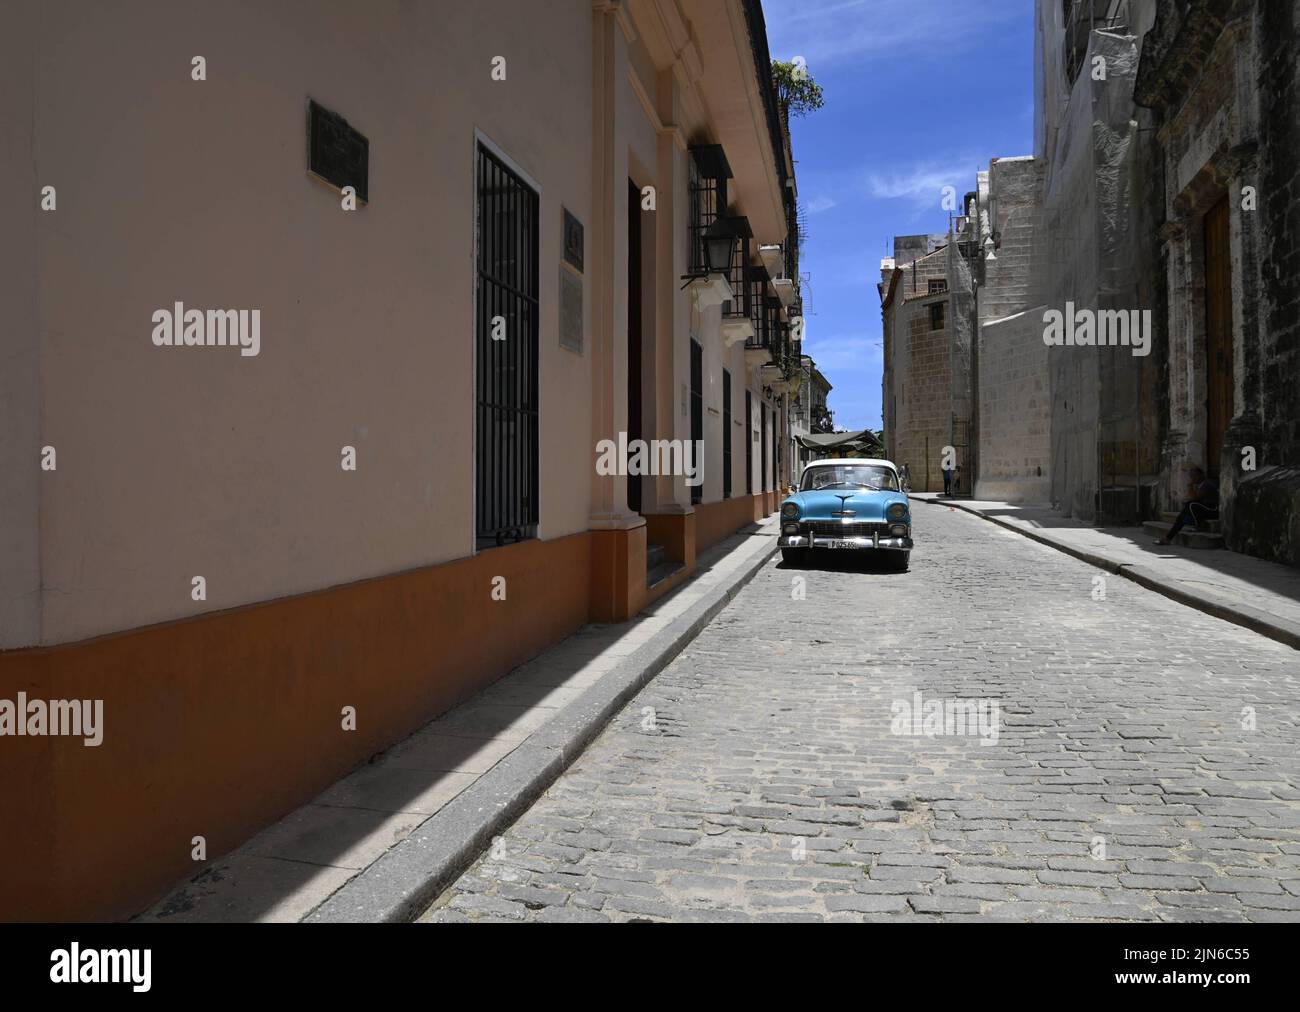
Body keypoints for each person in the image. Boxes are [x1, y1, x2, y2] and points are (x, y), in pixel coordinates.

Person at [1156, 466, 1219, 545]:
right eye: (1191, 476)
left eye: (1195, 476)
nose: (1193, 478)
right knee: (1183, 515)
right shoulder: (1200, 485)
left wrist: (1190, 486)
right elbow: (1194, 498)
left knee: (1191, 504)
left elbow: (1195, 498)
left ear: (1201, 475)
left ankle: (1197, 525)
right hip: (1204, 509)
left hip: (1213, 510)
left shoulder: (1206, 484)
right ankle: (1168, 537)